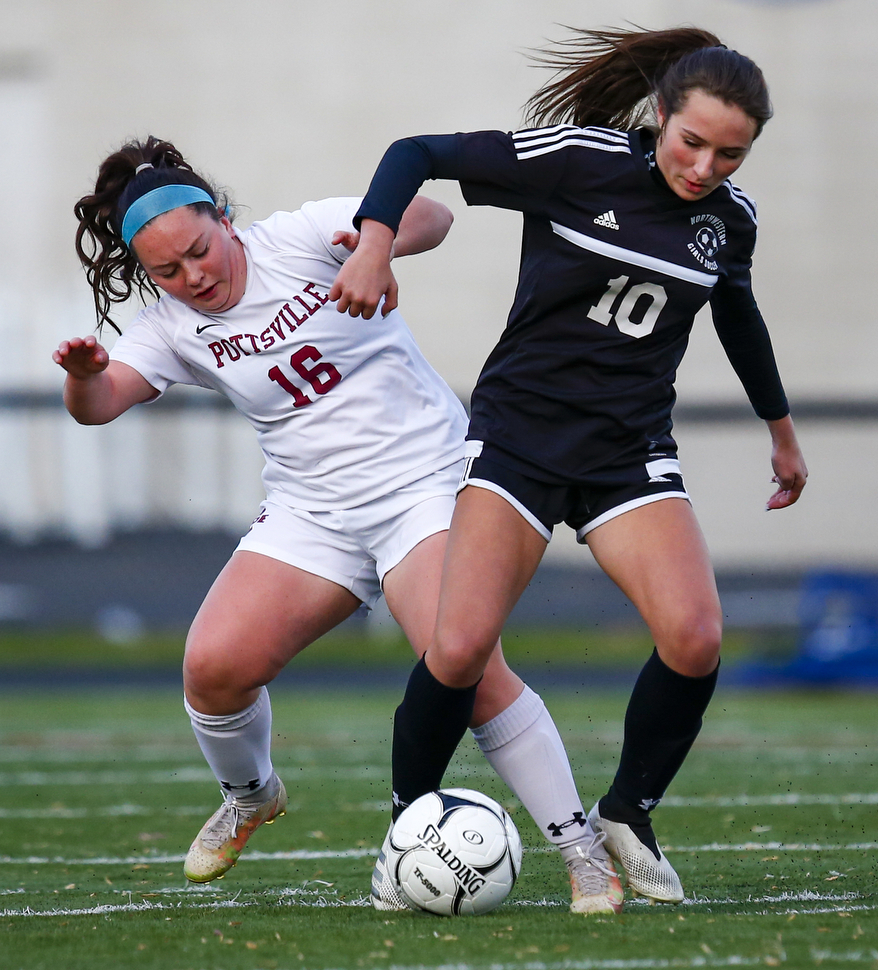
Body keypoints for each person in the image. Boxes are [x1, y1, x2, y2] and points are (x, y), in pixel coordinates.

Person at [54, 136, 625, 916]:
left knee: (464, 664)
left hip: (422, 483)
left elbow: (437, 216)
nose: (193, 277)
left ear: (222, 217)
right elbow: (102, 404)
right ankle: (251, 797)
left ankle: (582, 853)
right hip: (312, 511)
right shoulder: (171, 325)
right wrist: (83, 378)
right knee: (213, 668)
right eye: (168, 271)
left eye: (198, 251)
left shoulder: (298, 235)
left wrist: (375, 247)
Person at [331, 26, 809, 906]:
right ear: (660, 115)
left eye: (729, 155)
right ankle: (407, 828)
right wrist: (371, 242)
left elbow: (738, 317)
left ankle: (626, 812)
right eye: (690, 142)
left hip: (628, 454)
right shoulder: (575, 160)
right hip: (520, 441)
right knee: (461, 646)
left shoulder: (727, 221)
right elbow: (417, 152)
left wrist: (779, 430)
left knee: (697, 637)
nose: (704, 167)